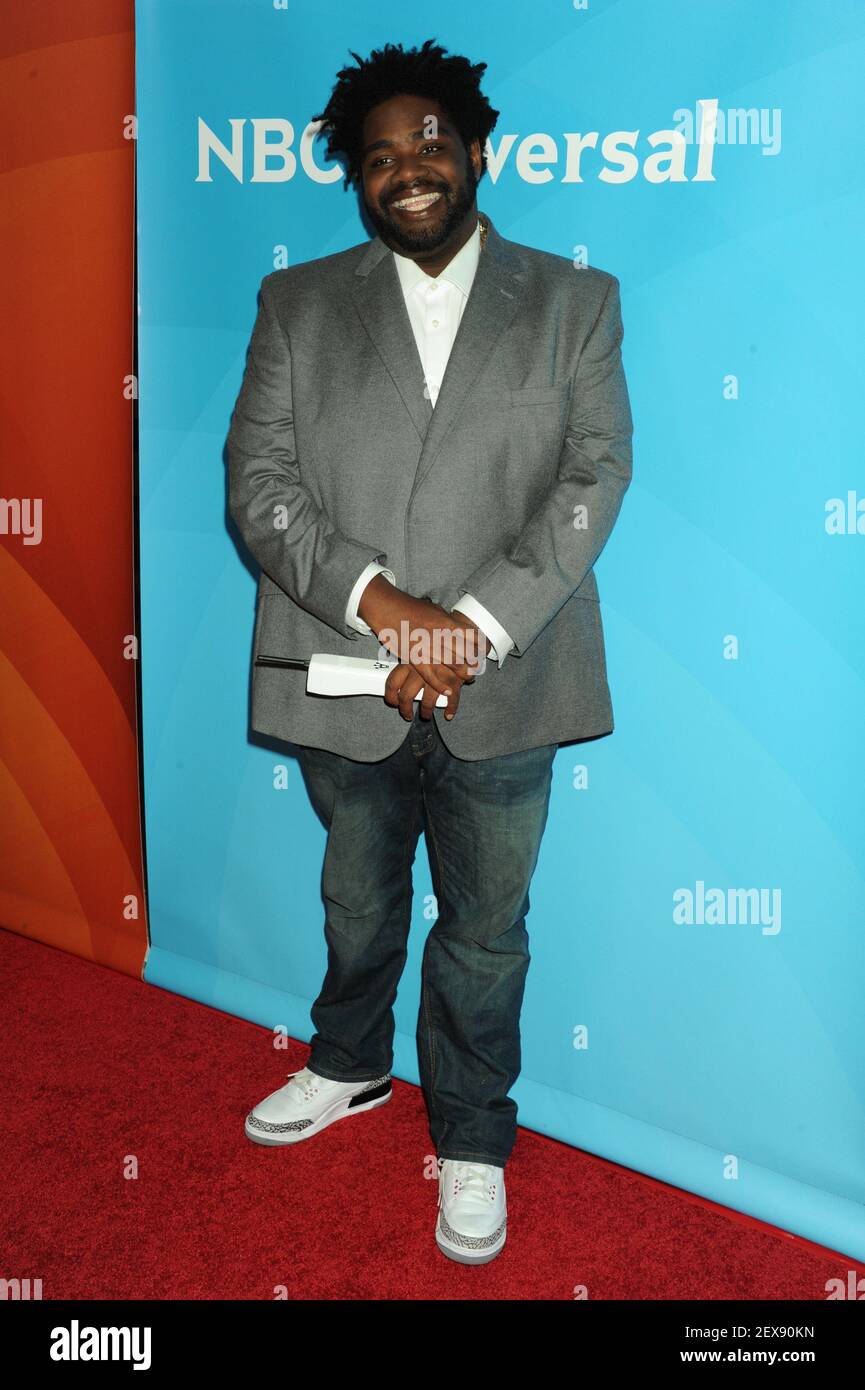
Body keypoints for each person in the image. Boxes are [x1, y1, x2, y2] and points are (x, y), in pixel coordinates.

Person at [226, 38, 633, 1265]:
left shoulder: (575, 302)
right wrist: (387, 611)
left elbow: (593, 476)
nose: (407, 168)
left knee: (485, 930)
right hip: (344, 673)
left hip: (510, 679)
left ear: (476, 149)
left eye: (431, 142)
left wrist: (470, 629)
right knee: (356, 901)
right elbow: (260, 484)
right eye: (380, 153)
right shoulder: (297, 304)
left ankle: (468, 1136)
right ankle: (348, 1064)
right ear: (355, 175)